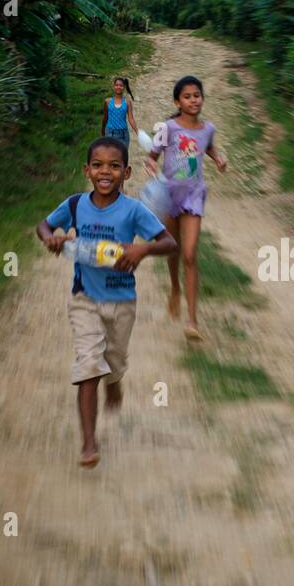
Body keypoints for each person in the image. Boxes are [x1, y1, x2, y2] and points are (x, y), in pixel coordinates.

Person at [36, 135, 177, 467]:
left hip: (122, 301)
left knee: (113, 361)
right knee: (88, 365)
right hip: (84, 298)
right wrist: (50, 238)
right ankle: (89, 442)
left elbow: (168, 241)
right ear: (87, 170)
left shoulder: (133, 210)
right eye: (98, 165)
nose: (105, 172)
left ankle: (115, 382)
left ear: (126, 173)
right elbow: (44, 225)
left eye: (114, 166)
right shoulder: (74, 205)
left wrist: (142, 249)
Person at [144, 75, 228, 342]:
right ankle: (175, 287)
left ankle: (192, 321)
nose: (194, 100)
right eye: (187, 96)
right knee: (173, 248)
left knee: (190, 254)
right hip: (169, 196)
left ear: (202, 98)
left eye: (197, 95)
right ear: (177, 101)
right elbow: (152, 156)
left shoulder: (207, 129)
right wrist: (151, 166)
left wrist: (218, 159)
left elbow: (209, 147)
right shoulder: (168, 128)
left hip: (193, 196)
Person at [100, 77, 138, 148]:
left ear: (124, 87)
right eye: (117, 85)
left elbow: (131, 119)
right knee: (110, 157)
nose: (118, 87)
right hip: (110, 134)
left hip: (123, 134)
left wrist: (137, 131)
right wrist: (102, 130)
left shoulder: (127, 102)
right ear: (114, 86)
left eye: (121, 85)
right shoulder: (107, 102)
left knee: (123, 158)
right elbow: (105, 118)